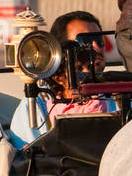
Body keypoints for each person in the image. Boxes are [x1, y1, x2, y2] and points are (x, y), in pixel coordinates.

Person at [9, 12, 116, 149]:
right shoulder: (34, 108)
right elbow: (28, 163)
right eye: (85, 41)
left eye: (99, 40)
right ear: (59, 50)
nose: (96, 47)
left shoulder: (121, 98)